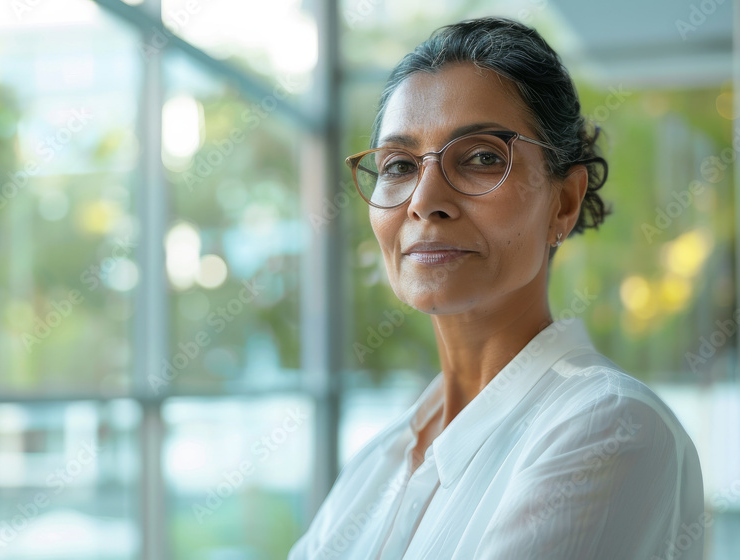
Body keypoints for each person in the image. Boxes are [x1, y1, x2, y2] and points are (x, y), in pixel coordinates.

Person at [288, 16, 704, 560]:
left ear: (564, 201)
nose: (424, 199)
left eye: (483, 157)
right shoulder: (382, 460)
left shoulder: (610, 427)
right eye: (398, 165)